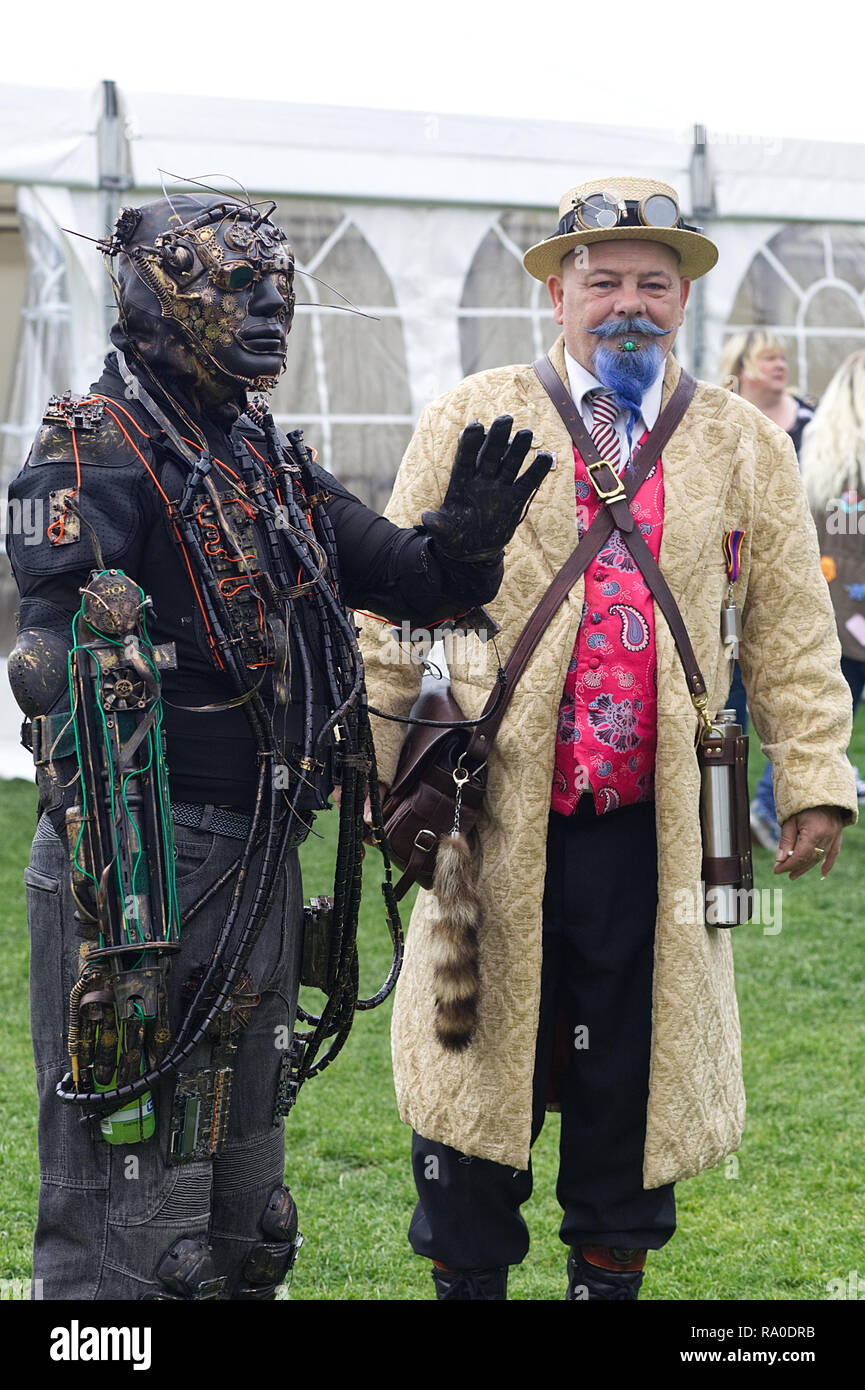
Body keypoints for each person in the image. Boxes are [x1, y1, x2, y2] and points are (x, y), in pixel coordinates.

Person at [4, 191, 550, 1301]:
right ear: (152, 300)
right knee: (136, 1215)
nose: (267, 311)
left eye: (278, 290)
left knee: (248, 1214)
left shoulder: (260, 454)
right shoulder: (93, 448)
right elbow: (54, 664)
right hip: (146, 872)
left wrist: (464, 544)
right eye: (231, 287)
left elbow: (405, 575)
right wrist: (128, 887)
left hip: (261, 854)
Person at [358, 176, 857, 1300]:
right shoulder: (470, 414)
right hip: (485, 818)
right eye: (604, 281)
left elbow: (789, 626)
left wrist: (815, 774)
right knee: (468, 1057)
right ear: (557, 293)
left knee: (629, 1088)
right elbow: (385, 603)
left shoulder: (740, 443)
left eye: (653, 283)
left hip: (658, 828)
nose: (628, 304)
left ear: (682, 300)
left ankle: (607, 1281)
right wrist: (381, 769)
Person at [717, 331, 818, 845]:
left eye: (783, 357)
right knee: (725, 703)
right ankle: (721, 814)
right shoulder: (720, 421)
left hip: (796, 563)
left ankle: (774, 799)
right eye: (769, 358)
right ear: (743, 367)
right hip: (728, 580)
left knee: (792, 682)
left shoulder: (810, 421)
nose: (780, 366)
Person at [800, 348, 865, 765]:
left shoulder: (823, 446)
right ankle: (772, 801)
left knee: (825, 709)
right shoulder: (857, 461)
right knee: (837, 708)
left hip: (830, 597)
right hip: (855, 603)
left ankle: (773, 799)